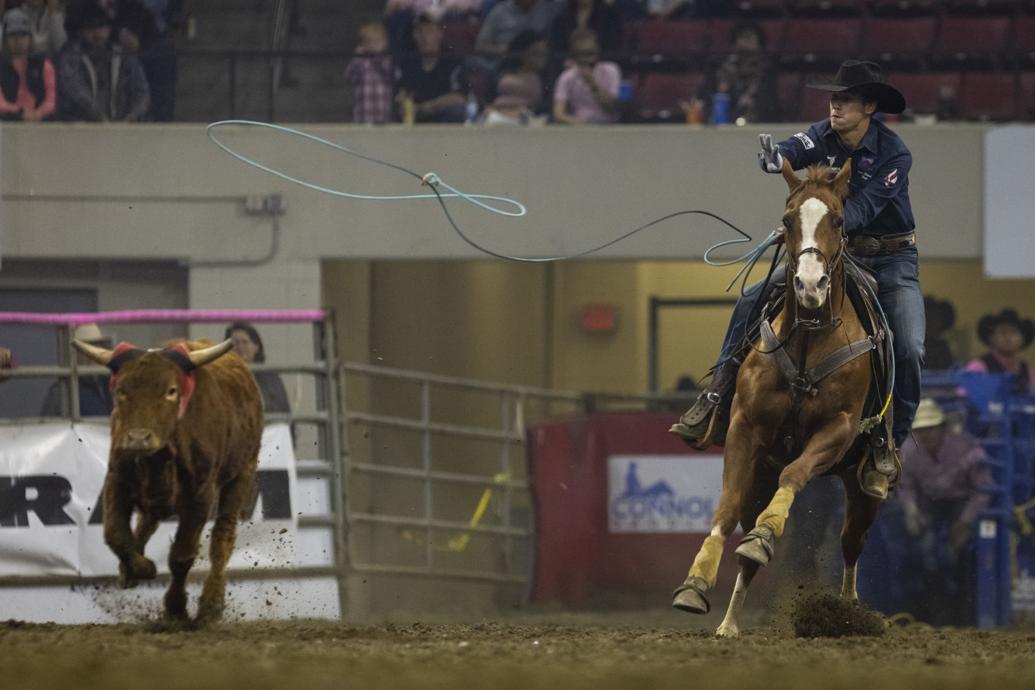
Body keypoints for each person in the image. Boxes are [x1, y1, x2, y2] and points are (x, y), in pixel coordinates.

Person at [670, 60, 923, 500]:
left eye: (846, 100)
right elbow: (793, 148)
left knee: (910, 345)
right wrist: (776, 160)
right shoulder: (822, 135)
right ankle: (714, 396)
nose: (835, 106)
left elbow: (862, 210)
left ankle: (888, 442)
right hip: (834, 252)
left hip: (891, 258)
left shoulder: (894, 154)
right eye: (833, 98)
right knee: (752, 298)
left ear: (869, 107)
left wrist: (818, 220)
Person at [896, 398, 990, 625]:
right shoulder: (909, 451)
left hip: (962, 503)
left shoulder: (965, 447)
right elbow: (906, 486)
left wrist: (965, 522)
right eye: (921, 430)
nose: (926, 434)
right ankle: (934, 616)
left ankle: (964, 616)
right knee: (924, 555)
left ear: (942, 428)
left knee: (962, 556)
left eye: (931, 428)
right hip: (930, 503)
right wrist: (911, 510)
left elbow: (983, 489)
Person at [58, 4, 150, 121]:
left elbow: (142, 92)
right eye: (91, 28)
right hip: (82, 125)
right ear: (80, 32)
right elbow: (75, 92)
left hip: (122, 124)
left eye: (102, 27)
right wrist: (99, 117)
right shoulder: (71, 56)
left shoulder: (123, 56)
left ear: (110, 29)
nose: (98, 34)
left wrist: (133, 116)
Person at [702, 21, 779, 124]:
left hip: (758, 121)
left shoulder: (766, 71)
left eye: (750, 37)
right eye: (743, 37)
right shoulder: (723, 69)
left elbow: (770, 103)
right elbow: (710, 97)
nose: (746, 41)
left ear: (759, 42)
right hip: (728, 119)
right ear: (734, 43)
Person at [396, 12, 466, 123]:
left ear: (439, 34)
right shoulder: (408, 63)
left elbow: (459, 97)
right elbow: (401, 93)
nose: (424, 37)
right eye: (420, 31)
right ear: (414, 36)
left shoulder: (452, 60)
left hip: (441, 117)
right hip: (415, 118)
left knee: (456, 112)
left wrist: (426, 107)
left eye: (429, 31)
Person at [40, 323, 113, 416]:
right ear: (76, 354)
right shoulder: (63, 389)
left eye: (97, 348)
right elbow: (49, 421)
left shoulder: (108, 383)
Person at [551, 28, 619, 125]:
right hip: (580, 127)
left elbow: (612, 107)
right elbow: (558, 114)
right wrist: (579, 123)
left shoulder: (611, 70)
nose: (587, 59)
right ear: (575, 55)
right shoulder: (566, 77)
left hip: (609, 126)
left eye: (590, 53)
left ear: (597, 51)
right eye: (582, 54)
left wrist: (593, 84)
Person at [0, 7, 57, 121]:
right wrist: (20, 113)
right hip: (7, 122)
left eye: (23, 35)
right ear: (5, 40)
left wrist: (38, 114)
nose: (18, 40)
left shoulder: (44, 65)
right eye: (12, 35)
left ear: (31, 38)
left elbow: (52, 100)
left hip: (42, 123)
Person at [482, 28, 548, 124]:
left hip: (527, 117)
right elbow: (488, 97)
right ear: (522, 52)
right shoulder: (503, 71)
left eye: (543, 54)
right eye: (535, 53)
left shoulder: (546, 78)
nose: (540, 59)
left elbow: (545, 105)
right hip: (497, 115)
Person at [964, 308, 1035, 394]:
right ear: (991, 338)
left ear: (1022, 339)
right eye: (1002, 332)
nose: (1008, 337)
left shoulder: (1028, 371)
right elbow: (963, 397)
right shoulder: (978, 367)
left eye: (1014, 332)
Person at [225, 322, 290, 414]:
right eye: (235, 343)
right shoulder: (221, 378)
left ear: (256, 347)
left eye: (245, 342)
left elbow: (281, 409)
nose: (240, 347)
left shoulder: (270, 378)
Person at [344, 21, 395, 124]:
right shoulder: (360, 62)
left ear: (384, 43)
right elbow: (350, 76)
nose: (373, 45)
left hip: (383, 115)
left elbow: (394, 76)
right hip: (363, 115)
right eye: (368, 42)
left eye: (377, 41)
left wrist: (377, 58)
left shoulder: (387, 61)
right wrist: (358, 57)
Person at [475, 0, 560, 60]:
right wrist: (503, 49)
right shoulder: (499, 11)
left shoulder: (547, 8)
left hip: (536, 64)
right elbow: (480, 46)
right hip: (504, 62)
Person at [548, 0, 620, 58]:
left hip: (603, 66)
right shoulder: (562, 18)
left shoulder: (610, 16)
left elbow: (614, 48)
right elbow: (557, 50)